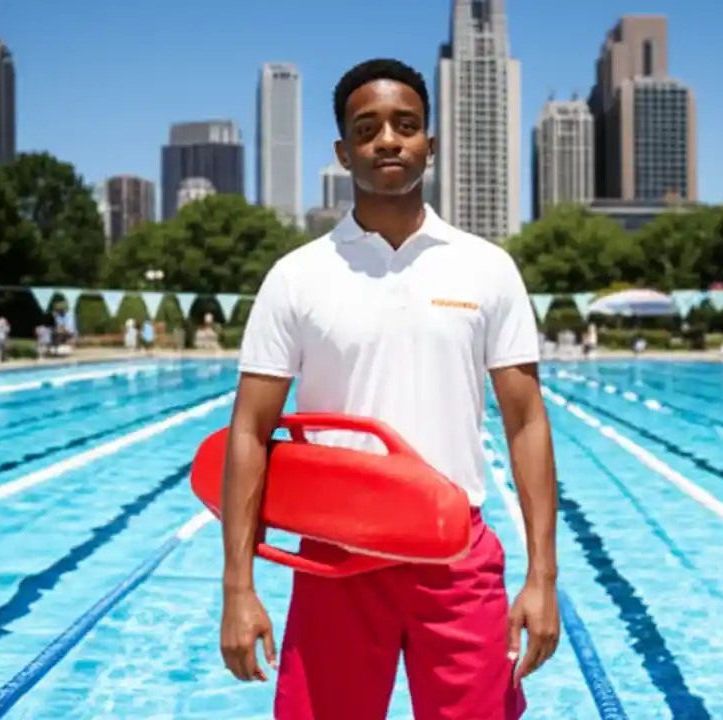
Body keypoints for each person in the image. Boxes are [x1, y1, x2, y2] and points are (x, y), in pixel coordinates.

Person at [218, 58, 560, 719]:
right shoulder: (297, 277)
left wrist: (542, 576)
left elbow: (526, 423)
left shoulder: (486, 268)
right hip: (335, 561)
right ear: (344, 150)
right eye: (367, 127)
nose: (388, 140)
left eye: (406, 125)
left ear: (429, 143)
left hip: (456, 555)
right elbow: (249, 430)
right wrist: (238, 585)